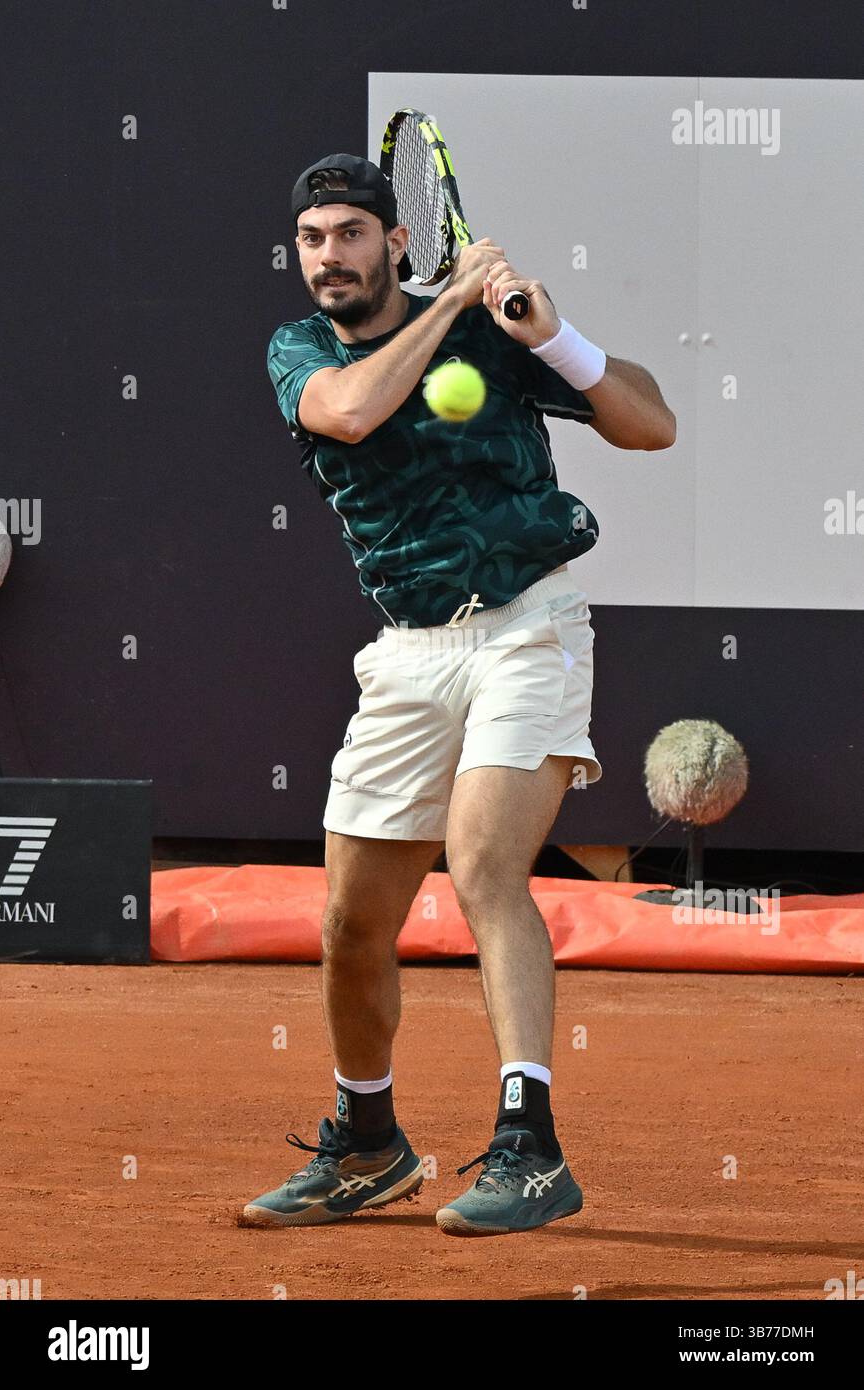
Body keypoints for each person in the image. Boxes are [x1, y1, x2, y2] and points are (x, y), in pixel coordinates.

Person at [244, 153, 675, 1236]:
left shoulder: (486, 330)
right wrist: (447, 314)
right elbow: (347, 412)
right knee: (350, 922)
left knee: (486, 867)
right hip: (406, 654)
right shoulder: (298, 351)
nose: (328, 256)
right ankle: (369, 1143)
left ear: (397, 242)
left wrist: (550, 339)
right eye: (311, 238)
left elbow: (650, 421)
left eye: (350, 233)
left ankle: (529, 1145)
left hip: (529, 626)